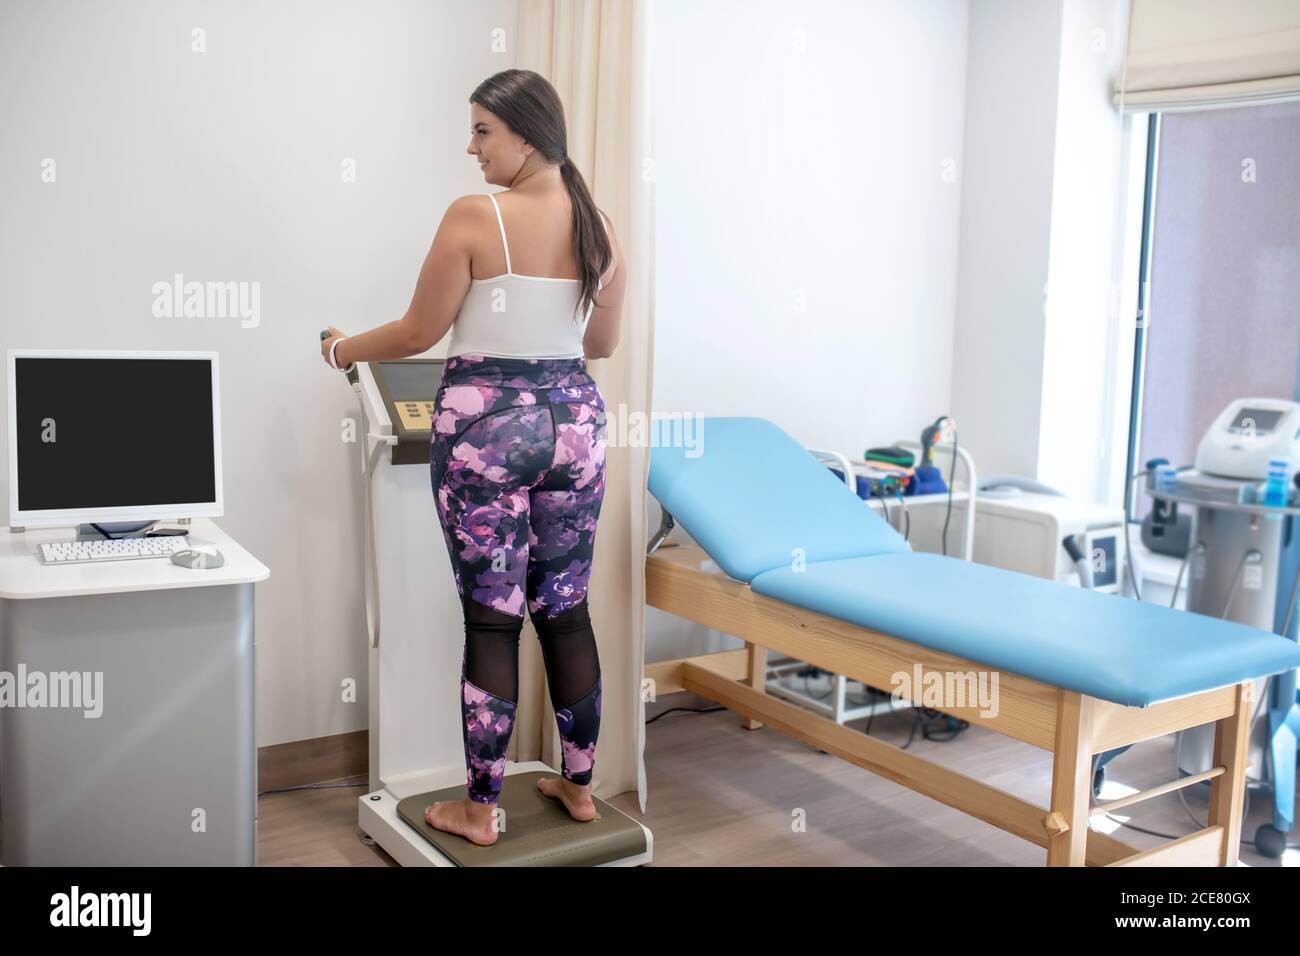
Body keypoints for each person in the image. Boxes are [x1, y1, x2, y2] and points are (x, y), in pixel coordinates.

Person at [320, 69, 627, 847]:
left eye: (483, 130)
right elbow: (601, 346)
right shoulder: (600, 225)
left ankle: (482, 809)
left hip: (488, 429)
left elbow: (419, 332)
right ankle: (580, 785)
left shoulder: (474, 216)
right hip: (578, 426)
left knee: (492, 622)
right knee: (566, 610)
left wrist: (341, 350)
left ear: (527, 133)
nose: (472, 146)